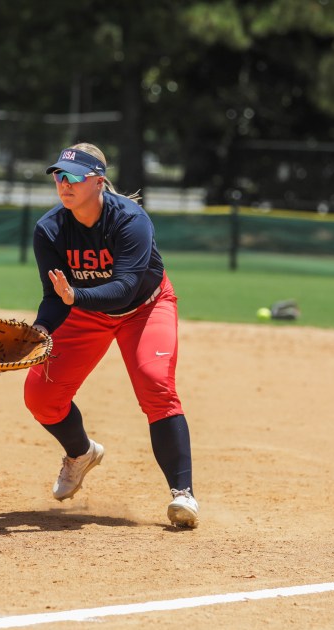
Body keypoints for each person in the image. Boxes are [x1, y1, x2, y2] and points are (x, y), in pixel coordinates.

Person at [25, 142, 199, 528]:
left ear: (98, 182)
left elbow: (124, 288)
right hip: (85, 312)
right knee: (40, 397)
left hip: (145, 307)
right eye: (58, 175)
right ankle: (81, 453)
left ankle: (183, 495)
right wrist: (41, 328)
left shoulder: (130, 220)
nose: (63, 183)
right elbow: (52, 299)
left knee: (155, 384)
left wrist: (75, 296)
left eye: (72, 176)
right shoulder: (49, 230)